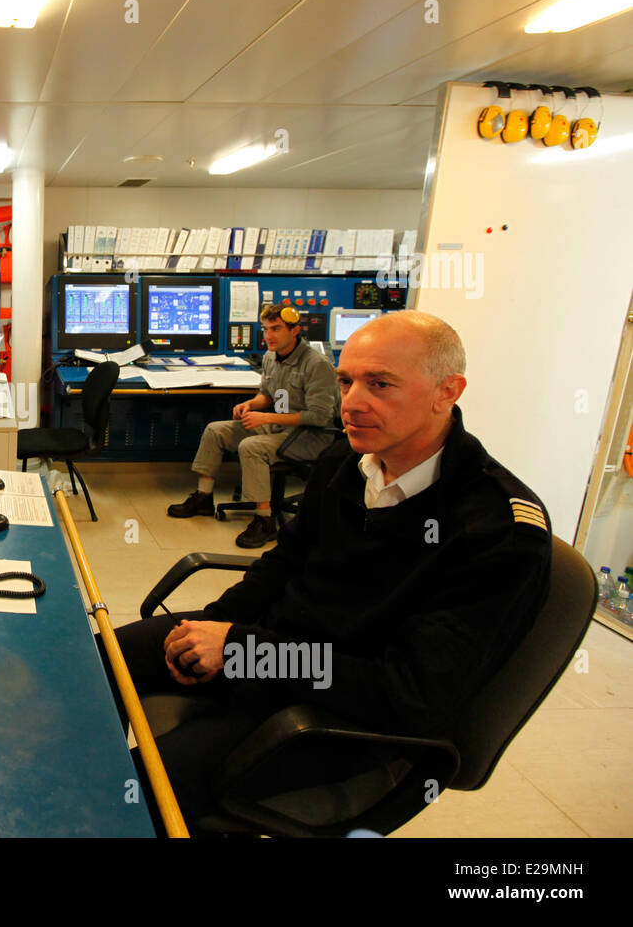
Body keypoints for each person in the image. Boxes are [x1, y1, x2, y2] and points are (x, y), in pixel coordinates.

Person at [105, 311, 552, 827]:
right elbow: (283, 563)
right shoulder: (349, 460)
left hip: (334, 719)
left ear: (447, 391)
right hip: (269, 654)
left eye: (380, 384)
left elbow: (406, 694)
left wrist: (240, 649)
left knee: (130, 792)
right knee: (97, 662)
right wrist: (214, 625)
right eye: (346, 381)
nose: (352, 402)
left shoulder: (496, 529)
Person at [168, 302, 338, 548]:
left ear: (294, 330)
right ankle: (203, 497)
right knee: (216, 430)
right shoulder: (271, 357)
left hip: (310, 437)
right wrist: (250, 405)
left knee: (252, 446)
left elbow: (319, 417)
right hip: (280, 428)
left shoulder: (316, 364)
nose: (268, 336)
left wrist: (267, 418)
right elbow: (268, 395)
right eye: (265, 329)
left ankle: (264, 521)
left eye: (276, 329)